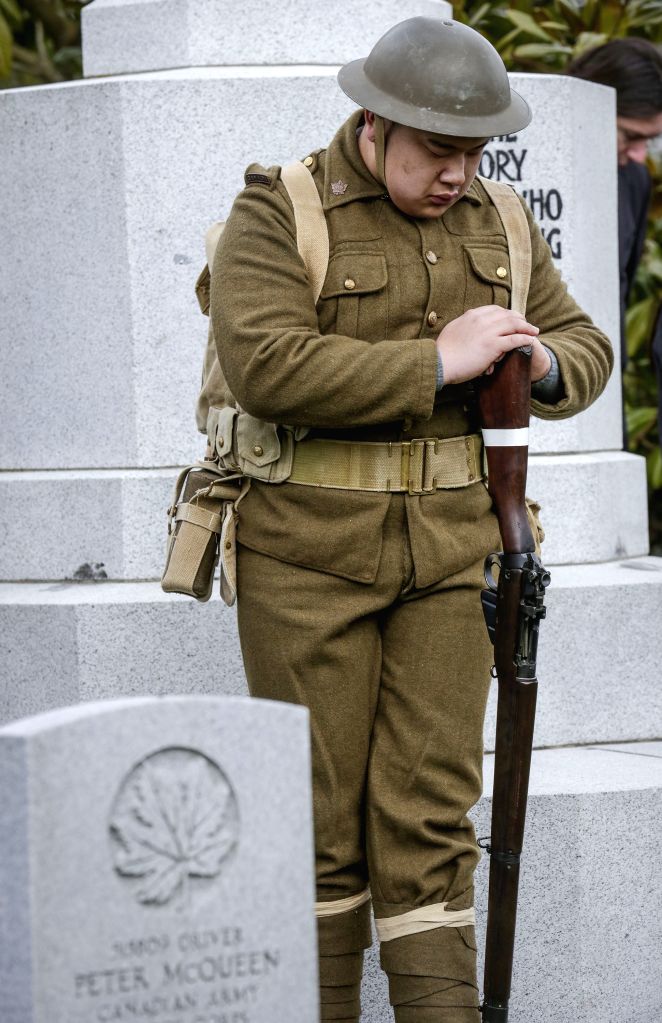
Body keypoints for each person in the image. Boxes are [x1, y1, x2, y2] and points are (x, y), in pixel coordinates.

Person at [211, 17, 613, 1022]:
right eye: (438, 150)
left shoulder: (502, 219)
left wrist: (539, 360)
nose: (456, 174)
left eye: (473, 153)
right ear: (375, 123)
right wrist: (439, 362)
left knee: (429, 821)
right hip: (303, 556)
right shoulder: (280, 209)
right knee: (316, 822)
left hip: (450, 555)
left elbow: (581, 342)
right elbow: (267, 364)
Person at [568, 38, 662, 444]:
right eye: (630, 135)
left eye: (650, 140)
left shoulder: (635, 180)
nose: (641, 154)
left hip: (599, 393)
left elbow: (619, 287)